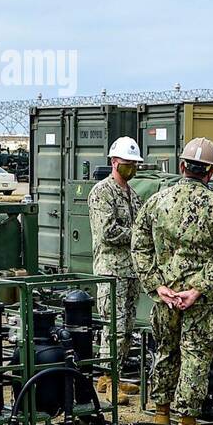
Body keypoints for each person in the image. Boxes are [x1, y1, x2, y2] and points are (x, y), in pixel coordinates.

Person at [131, 137, 213, 425]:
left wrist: (158, 286)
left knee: (166, 350)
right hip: (202, 301)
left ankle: (162, 411)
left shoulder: (156, 202)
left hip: (166, 297)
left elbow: (139, 248)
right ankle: (187, 423)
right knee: (196, 356)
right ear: (211, 172)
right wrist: (198, 290)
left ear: (182, 166)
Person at [88, 137, 146, 396]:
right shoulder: (102, 192)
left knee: (128, 326)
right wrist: (138, 235)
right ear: (114, 162)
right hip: (111, 271)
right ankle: (106, 378)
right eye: (128, 164)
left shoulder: (133, 195)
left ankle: (115, 374)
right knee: (113, 326)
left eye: (135, 164)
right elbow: (107, 232)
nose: (132, 169)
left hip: (131, 270)